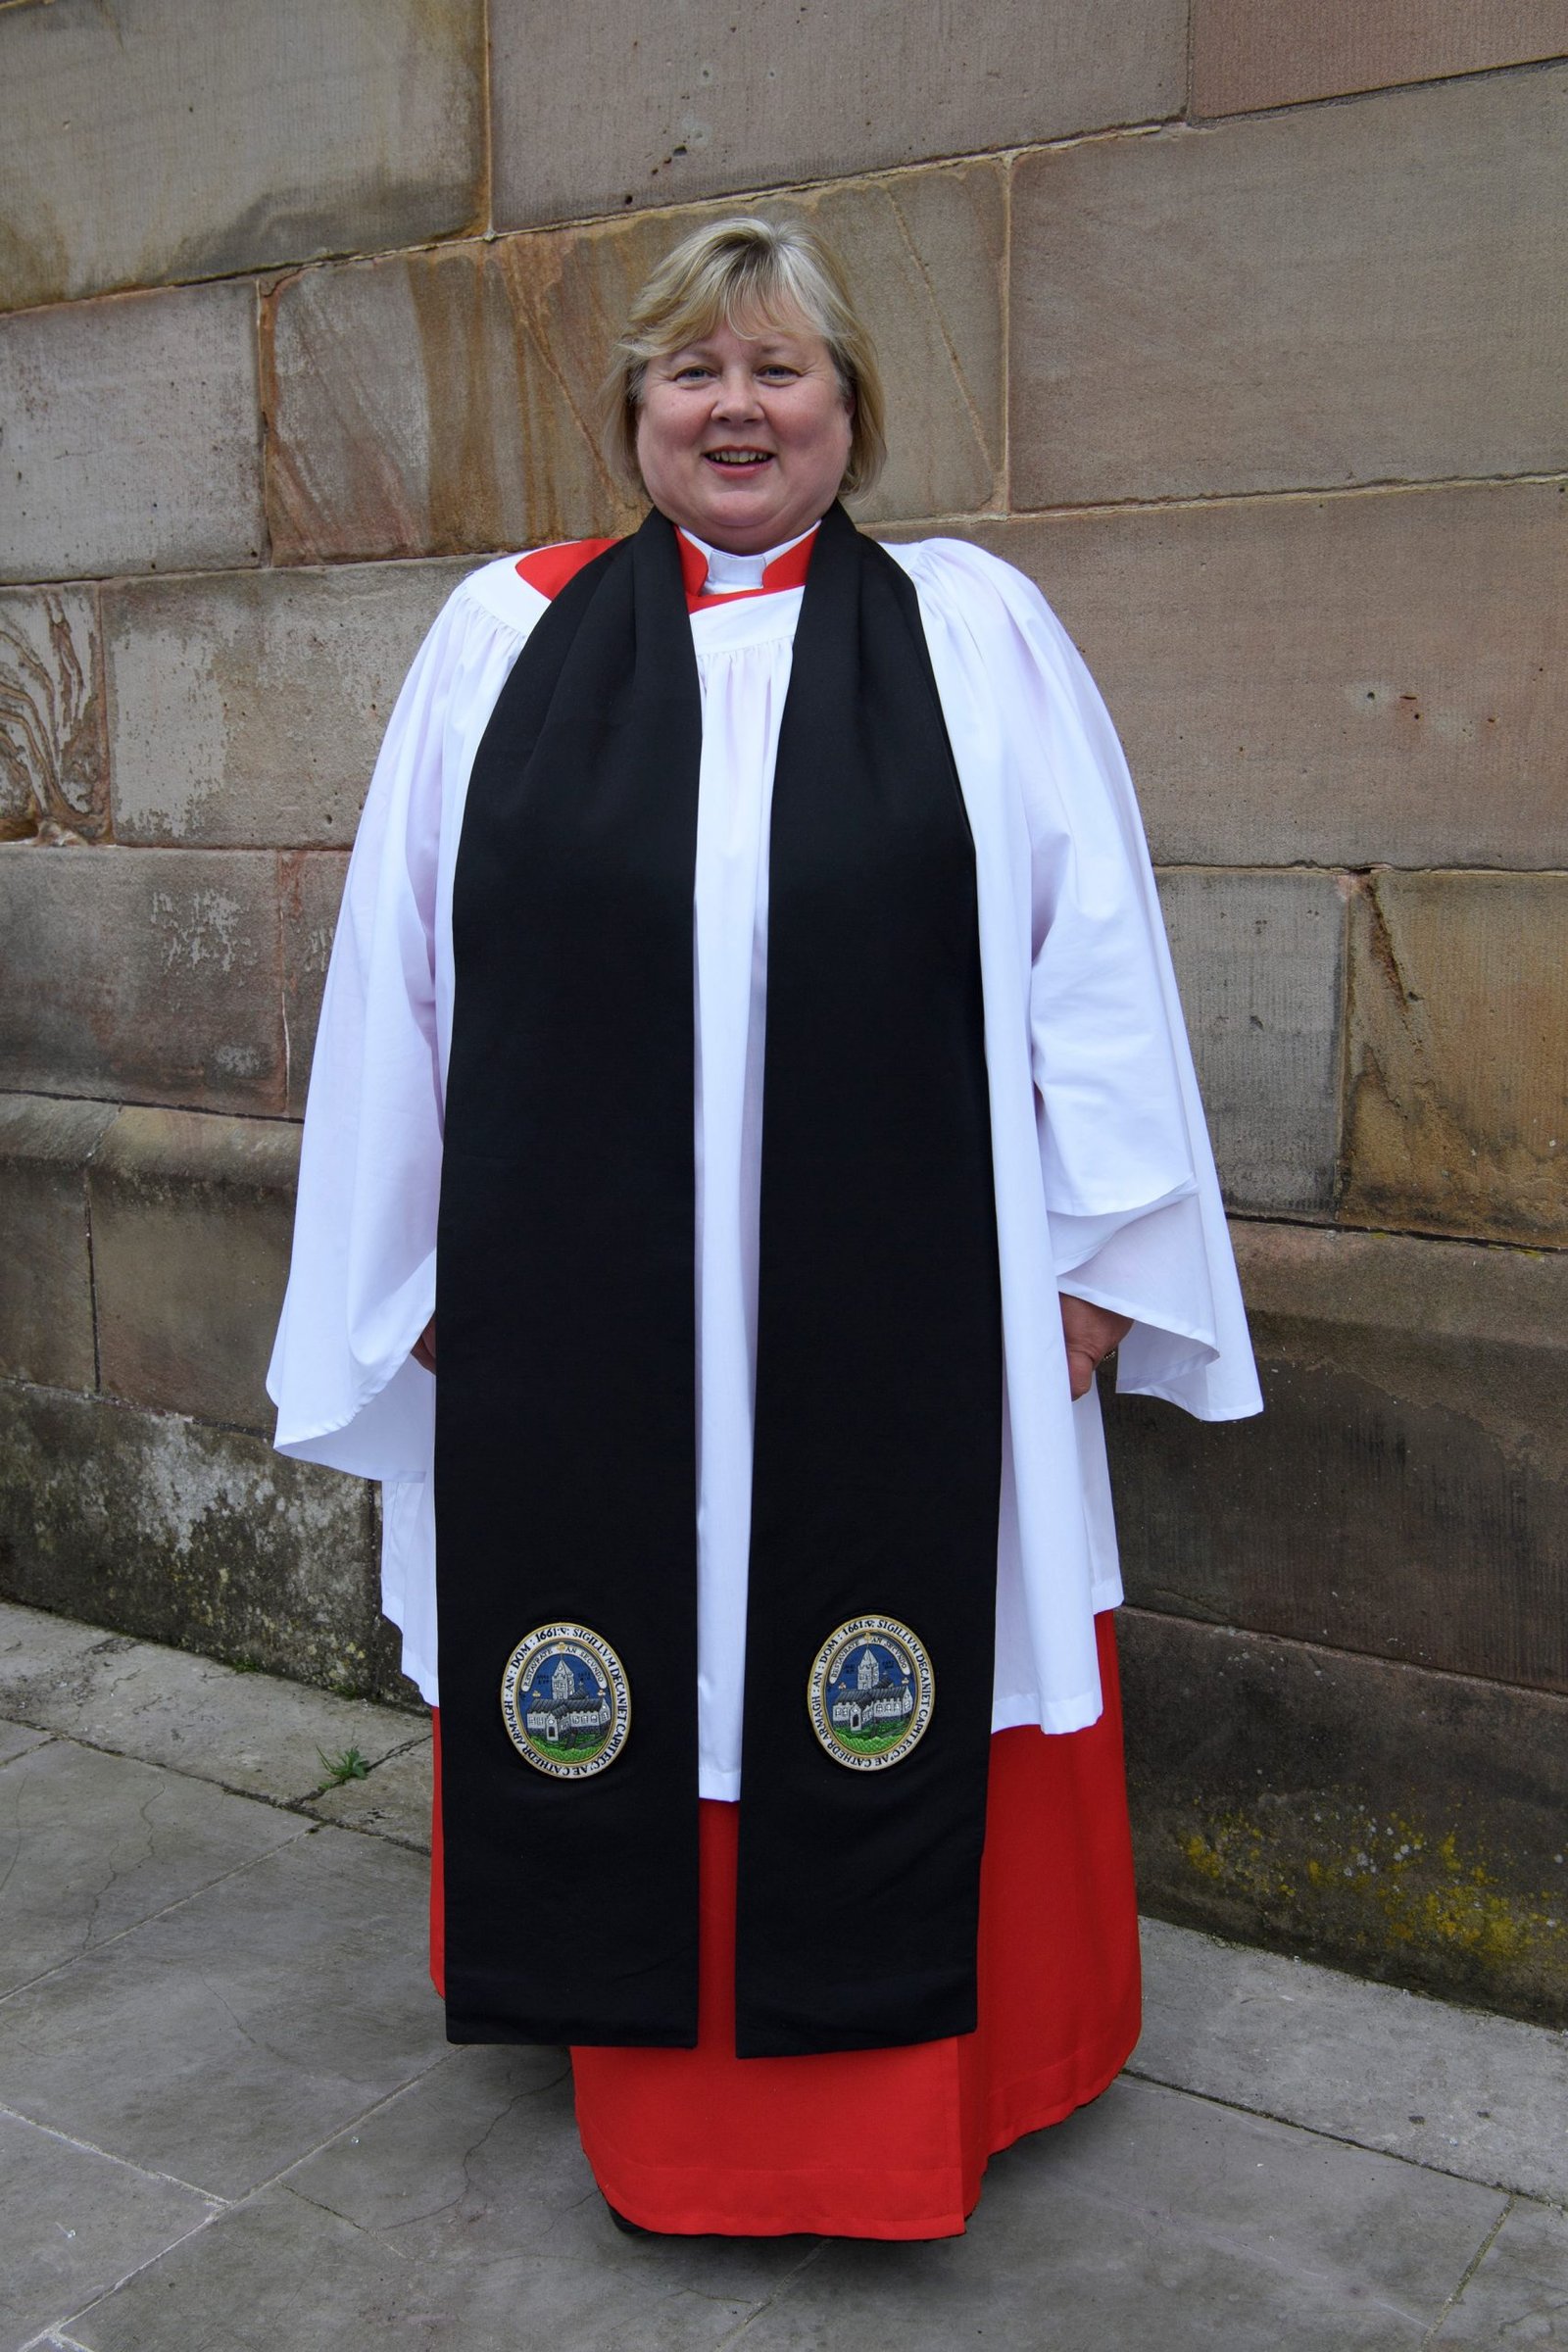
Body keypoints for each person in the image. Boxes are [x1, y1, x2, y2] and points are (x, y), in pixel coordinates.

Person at [269, 215, 1261, 2241]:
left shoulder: (973, 633)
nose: (737, 406)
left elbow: (1092, 965)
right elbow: (403, 980)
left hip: (908, 1310)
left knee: (880, 1625)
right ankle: (668, 2089)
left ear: (846, 409)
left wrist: (1094, 1257)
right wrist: (414, 1265)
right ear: (632, 411)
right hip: (588, 1308)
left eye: (779, 369)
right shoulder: (501, 640)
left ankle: (918, 2096)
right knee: (642, 1637)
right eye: (693, 371)